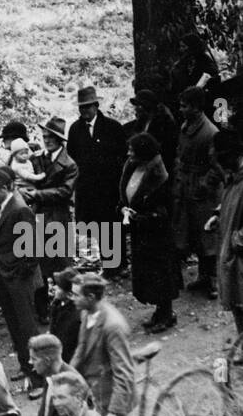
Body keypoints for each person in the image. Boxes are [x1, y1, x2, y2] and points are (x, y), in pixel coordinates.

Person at [20, 117, 79, 321]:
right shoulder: (35, 159)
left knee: (62, 264)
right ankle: (42, 309)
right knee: (38, 264)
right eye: (45, 136)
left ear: (60, 140)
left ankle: (71, 306)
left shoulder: (69, 164)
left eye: (51, 137)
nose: (47, 140)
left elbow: (65, 192)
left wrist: (37, 195)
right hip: (37, 216)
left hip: (58, 217)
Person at [121, 131, 180, 333]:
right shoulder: (133, 167)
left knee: (161, 275)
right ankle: (160, 312)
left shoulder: (159, 176)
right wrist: (123, 208)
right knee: (149, 275)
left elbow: (164, 211)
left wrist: (140, 218)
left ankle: (166, 314)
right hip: (142, 233)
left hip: (158, 235)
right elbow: (126, 192)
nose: (129, 154)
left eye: (132, 151)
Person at [0, 169, 40, 382]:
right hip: (3, 274)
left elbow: (32, 250)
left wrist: (19, 274)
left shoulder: (20, 210)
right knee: (13, 324)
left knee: (27, 326)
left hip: (18, 277)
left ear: (6, 188)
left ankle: (38, 377)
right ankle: (25, 365)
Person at [173, 85, 224, 299]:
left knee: (207, 236)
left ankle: (212, 279)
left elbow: (218, 166)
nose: (181, 109)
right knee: (192, 233)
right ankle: (203, 276)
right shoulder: (187, 126)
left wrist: (205, 185)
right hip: (186, 186)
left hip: (203, 191)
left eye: (184, 106)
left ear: (195, 107)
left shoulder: (210, 132)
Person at [70, 275, 136, 416]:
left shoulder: (113, 326)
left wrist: (114, 413)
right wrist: (67, 374)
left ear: (91, 297)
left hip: (110, 397)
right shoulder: (86, 313)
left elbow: (124, 372)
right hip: (94, 390)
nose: (72, 298)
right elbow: (82, 348)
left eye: (76, 295)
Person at [66, 86, 128, 237]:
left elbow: (123, 158)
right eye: (81, 107)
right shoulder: (75, 129)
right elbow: (72, 158)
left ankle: (116, 261)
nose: (84, 110)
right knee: (98, 234)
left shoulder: (113, 127)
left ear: (96, 106)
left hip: (110, 193)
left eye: (88, 106)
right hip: (87, 193)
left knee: (113, 235)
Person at [212, 130, 243, 342]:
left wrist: (237, 240)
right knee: (236, 302)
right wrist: (218, 215)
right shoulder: (234, 177)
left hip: (239, 250)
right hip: (232, 251)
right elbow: (230, 201)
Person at [23, 334, 72, 416]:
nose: (30, 362)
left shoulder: (70, 386)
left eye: (34, 359)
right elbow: (44, 414)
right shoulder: (49, 376)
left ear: (47, 360)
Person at [125, 89, 178, 173]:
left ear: (147, 106)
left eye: (139, 106)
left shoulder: (163, 122)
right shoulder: (143, 118)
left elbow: (161, 148)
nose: (136, 109)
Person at [48, 268, 81, 363]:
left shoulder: (75, 318)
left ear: (70, 295)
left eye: (59, 287)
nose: (54, 288)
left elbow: (67, 346)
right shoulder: (57, 304)